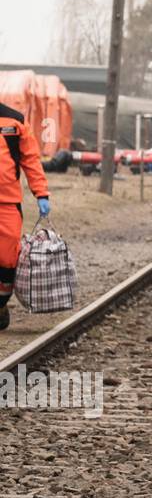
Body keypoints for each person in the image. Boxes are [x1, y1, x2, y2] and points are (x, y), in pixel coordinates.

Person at [0, 101, 51, 331]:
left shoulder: (15, 121)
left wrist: (41, 193)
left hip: (7, 203)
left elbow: (30, 159)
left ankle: (0, 304)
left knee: (8, 258)